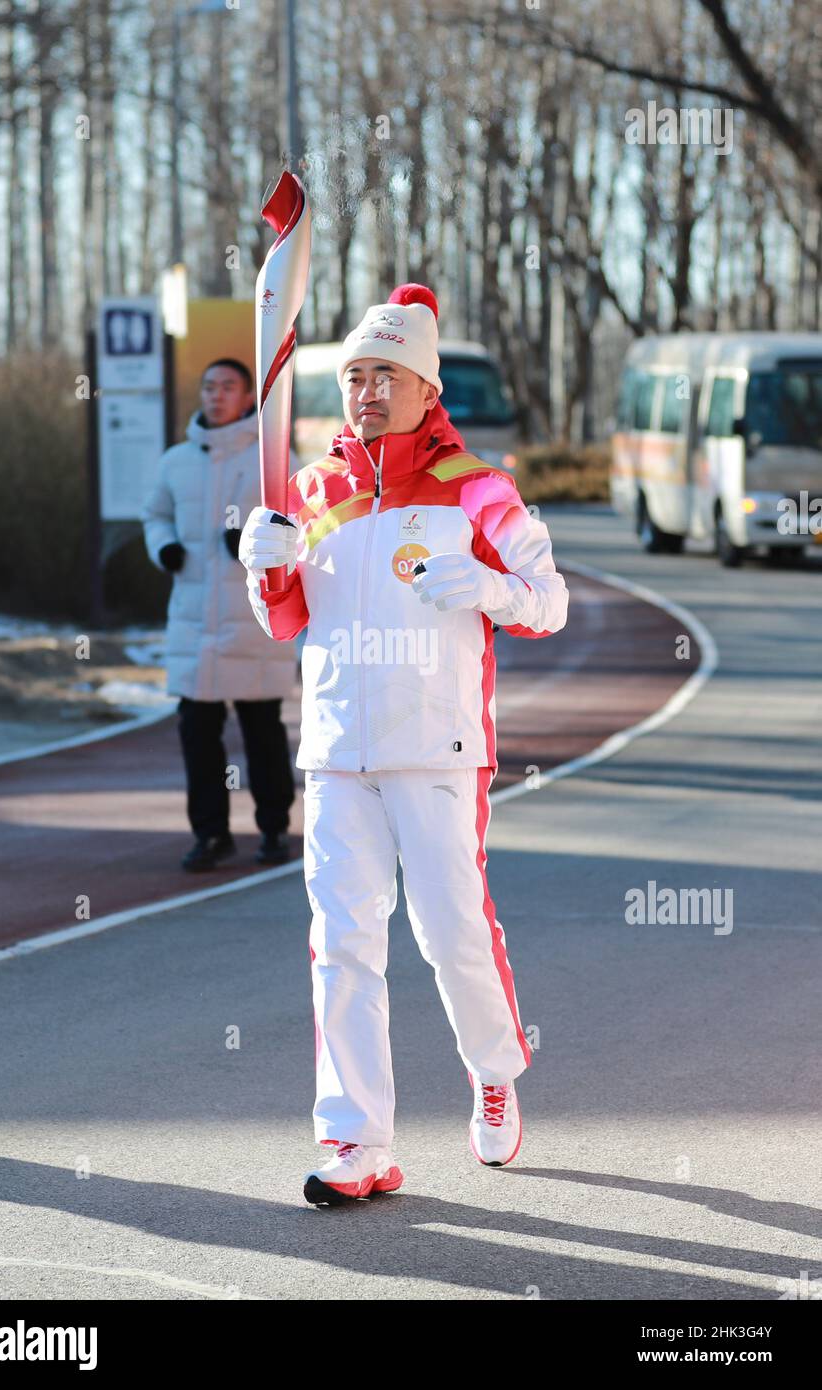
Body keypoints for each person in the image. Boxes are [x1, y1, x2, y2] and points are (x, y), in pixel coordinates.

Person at [238, 286, 569, 1205]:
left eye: (386, 375)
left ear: (426, 387)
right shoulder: (311, 491)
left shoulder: (478, 489)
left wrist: (488, 587)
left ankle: (494, 1070)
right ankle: (356, 1141)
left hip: (438, 751)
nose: (367, 392)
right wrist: (264, 569)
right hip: (339, 751)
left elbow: (551, 602)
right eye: (353, 376)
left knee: (451, 934)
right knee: (342, 944)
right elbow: (285, 619)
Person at [142, 357, 299, 871]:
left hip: (254, 618)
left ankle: (274, 828)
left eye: (227, 387)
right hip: (192, 620)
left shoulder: (272, 458)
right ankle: (210, 834)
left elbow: (302, 523)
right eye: (209, 386)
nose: (216, 395)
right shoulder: (176, 461)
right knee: (196, 732)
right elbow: (156, 514)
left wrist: (254, 543)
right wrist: (163, 546)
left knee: (263, 731)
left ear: (248, 395)